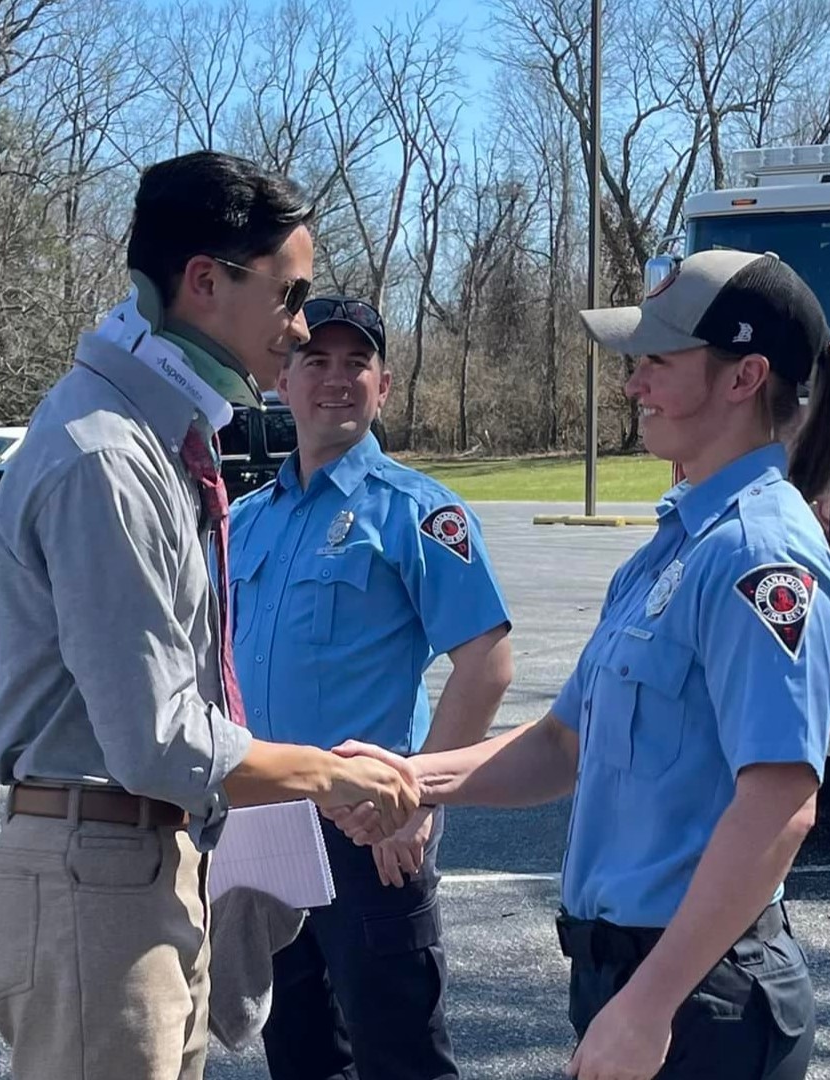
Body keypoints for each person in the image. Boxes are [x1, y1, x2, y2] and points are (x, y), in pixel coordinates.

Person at [334, 249, 830, 1080]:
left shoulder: (761, 556)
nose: (632, 384)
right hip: (637, 978)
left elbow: (780, 804)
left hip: (699, 996)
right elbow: (560, 746)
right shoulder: (674, 549)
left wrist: (649, 1005)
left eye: (658, 360)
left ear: (744, 376)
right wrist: (411, 777)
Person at [0, 152, 419, 1080]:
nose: (299, 330)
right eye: (290, 297)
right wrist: (328, 777)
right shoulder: (107, 458)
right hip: (97, 875)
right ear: (206, 282)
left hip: (137, 863)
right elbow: (155, 737)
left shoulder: (153, 439)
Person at [230, 296, 515, 1079]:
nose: (336, 379)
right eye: (315, 362)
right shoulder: (246, 519)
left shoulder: (418, 512)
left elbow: (486, 663)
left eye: (356, 363)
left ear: (383, 386)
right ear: (282, 383)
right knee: (297, 1049)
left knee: (400, 1054)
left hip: (370, 824)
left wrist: (420, 798)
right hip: (268, 815)